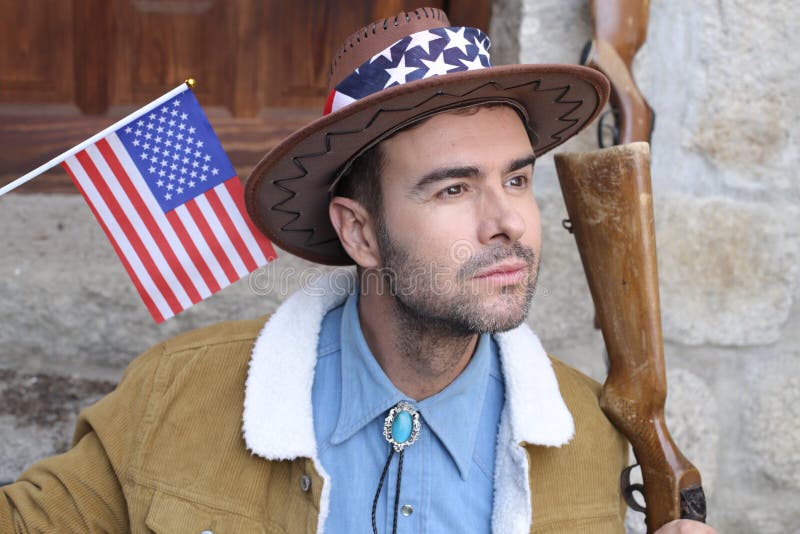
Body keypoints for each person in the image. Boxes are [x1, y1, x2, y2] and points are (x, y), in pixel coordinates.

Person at [1, 7, 715, 534]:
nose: (508, 222)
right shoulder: (175, 395)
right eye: (454, 188)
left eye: (518, 181)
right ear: (360, 232)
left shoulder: (590, 434)